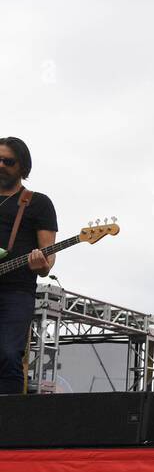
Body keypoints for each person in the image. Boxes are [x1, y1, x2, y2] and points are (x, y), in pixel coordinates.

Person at [0, 137, 58, 395]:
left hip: (15, 291)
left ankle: (8, 426)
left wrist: (40, 264)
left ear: (23, 167)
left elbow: (47, 262)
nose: (1, 165)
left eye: (8, 161)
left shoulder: (37, 202)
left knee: (9, 355)